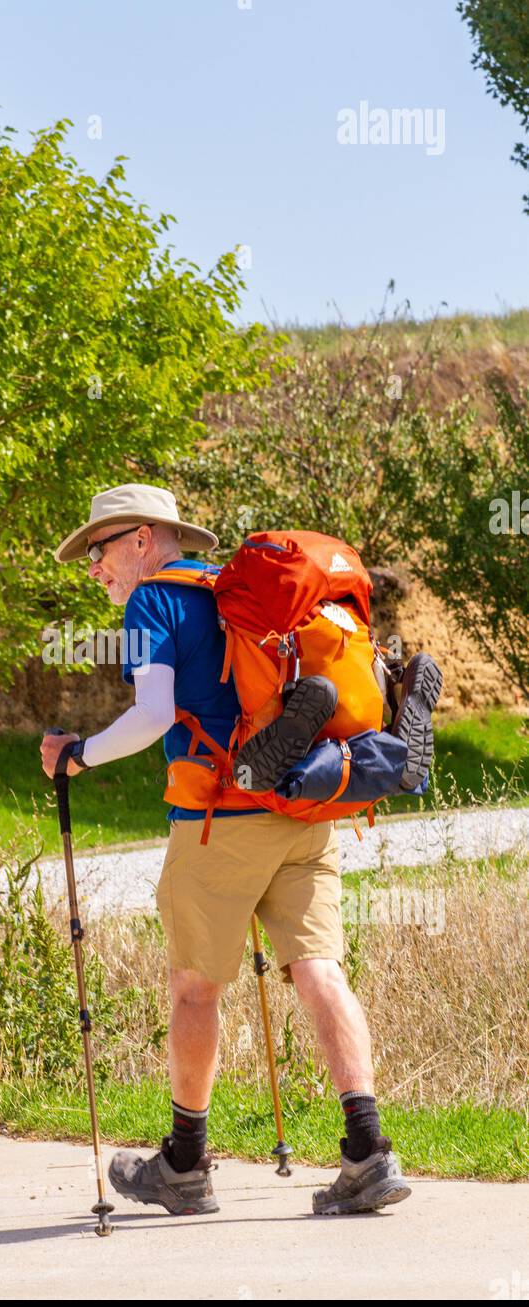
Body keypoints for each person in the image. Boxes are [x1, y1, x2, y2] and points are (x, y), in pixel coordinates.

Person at [41, 483, 440, 1217]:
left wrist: (79, 756)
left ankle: (185, 1166)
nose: (93, 568)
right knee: (321, 970)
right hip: (303, 800)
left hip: (218, 818)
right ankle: (369, 1152)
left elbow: (153, 713)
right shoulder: (234, 594)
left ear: (140, 539)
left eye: (98, 550)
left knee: (195, 987)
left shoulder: (152, 603)